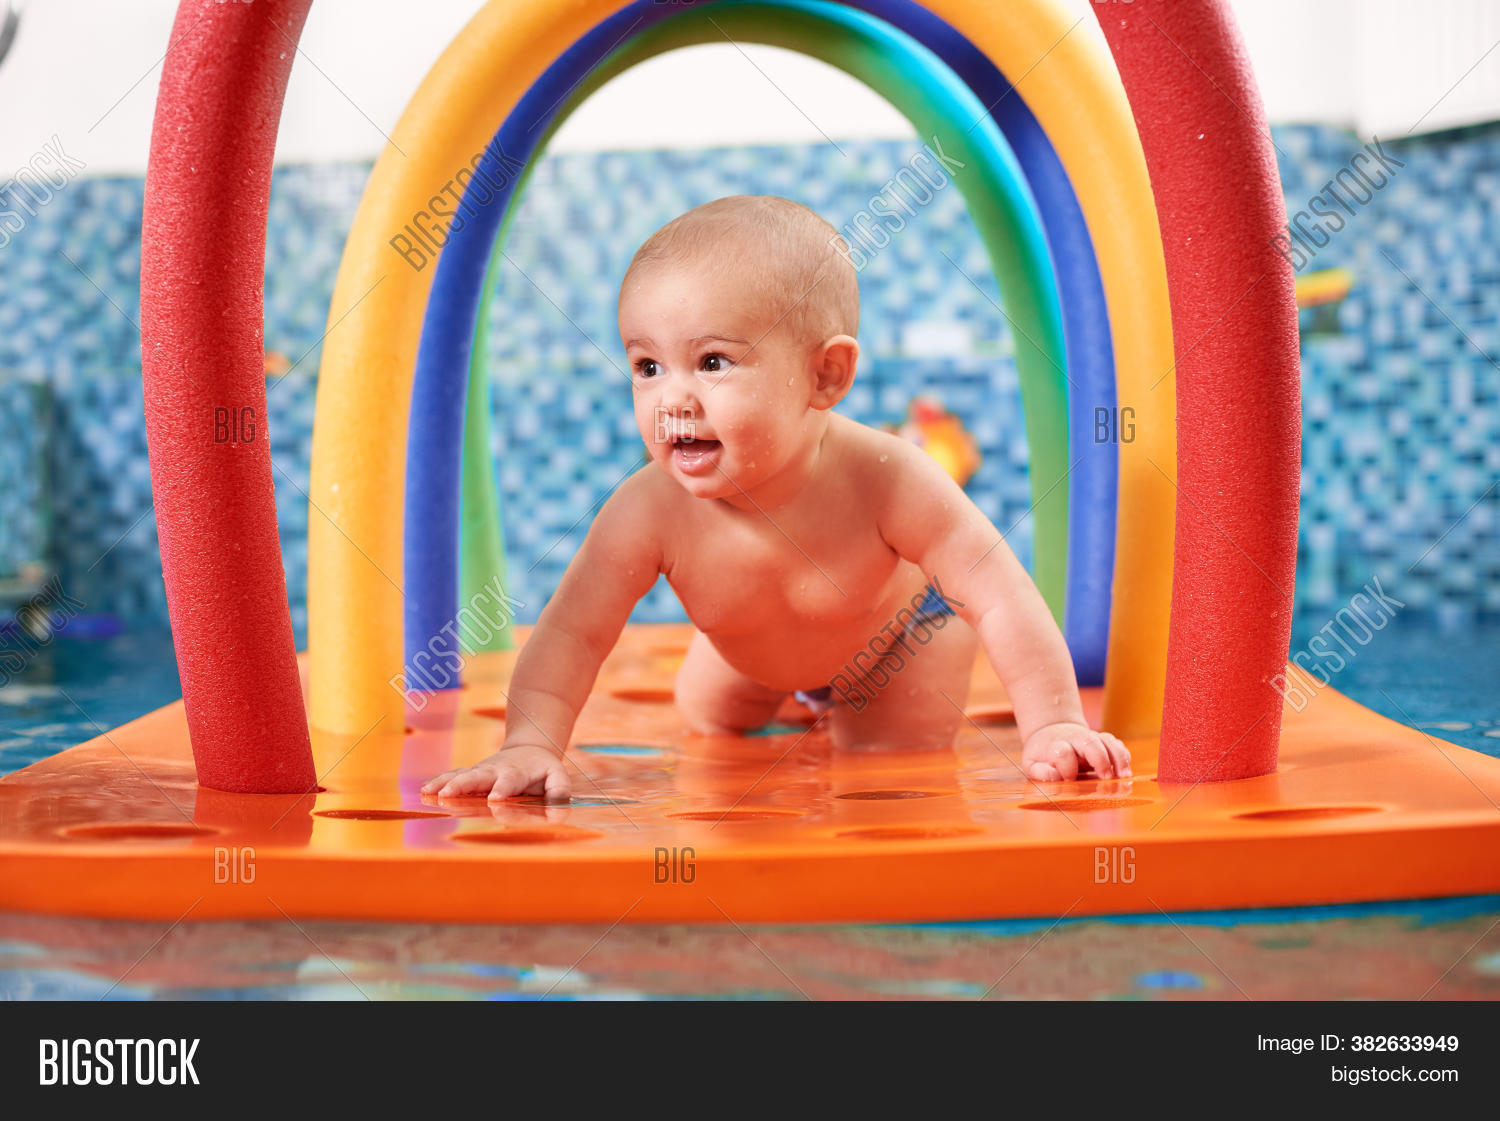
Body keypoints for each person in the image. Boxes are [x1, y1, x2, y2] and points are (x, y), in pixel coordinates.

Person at [423, 195, 1129, 802]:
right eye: (646, 365)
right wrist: (531, 742)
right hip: (748, 655)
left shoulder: (888, 476)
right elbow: (574, 632)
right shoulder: (649, 509)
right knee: (706, 717)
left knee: (886, 762)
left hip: (896, 652)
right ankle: (786, 700)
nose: (672, 397)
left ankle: (854, 724)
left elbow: (999, 592)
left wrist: (1055, 723)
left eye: (713, 362)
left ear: (826, 375)